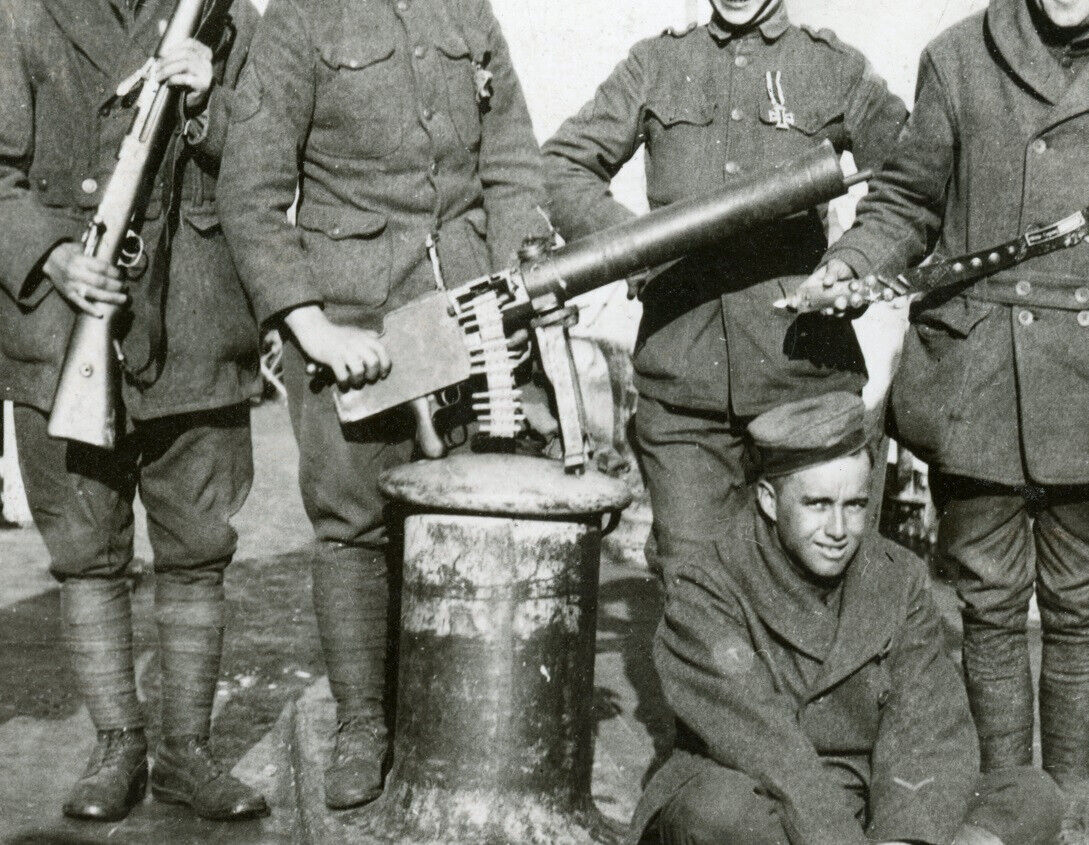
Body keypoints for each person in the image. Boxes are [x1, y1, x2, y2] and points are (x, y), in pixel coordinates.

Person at [800, 0, 1089, 838]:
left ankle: (1067, 815)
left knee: (1079, 606)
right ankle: (1003, 814)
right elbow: (908, 201)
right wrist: (850, 262)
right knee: (987, 604)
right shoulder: (955, 58)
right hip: (979, 373)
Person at [216, 0, 549, 811]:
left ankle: (461, 710)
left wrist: (520, 279)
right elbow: (252, 190)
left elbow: (511, 165)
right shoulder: (300, 21)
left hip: (470, 314)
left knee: (472, 519)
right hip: (351, 324)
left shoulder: (468, 13)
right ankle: (363, 722)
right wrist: (311, 326)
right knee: (354, 525)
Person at [0, 0, 269, 823]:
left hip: (194, 316)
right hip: (61, 323)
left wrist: (210, 101)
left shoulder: (226, 17)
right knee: (85, 549)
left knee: (197, 545)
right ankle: (118, 742)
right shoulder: (21, 14)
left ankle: (186, 754)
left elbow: (269, 165)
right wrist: (51, 255)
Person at [541, 0, 909, 582]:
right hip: (683, 395)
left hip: (804, 383)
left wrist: (855, 261)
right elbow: (560, 167)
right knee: (696, 593)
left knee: (818, 591)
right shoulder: (656, 64)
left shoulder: (834, 68)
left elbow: (912, 181)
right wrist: (638, 247)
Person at [631, 392, 1063, 845]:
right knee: (716, 811)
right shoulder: (708, 586)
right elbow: (768, 746)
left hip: (871, 803)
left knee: (1031, 794)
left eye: (854, 505)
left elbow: (927, 726)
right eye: (817, 504)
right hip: (768, 799)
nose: (838, 530)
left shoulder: (898, 579)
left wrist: (904, 837)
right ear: (768, 500)